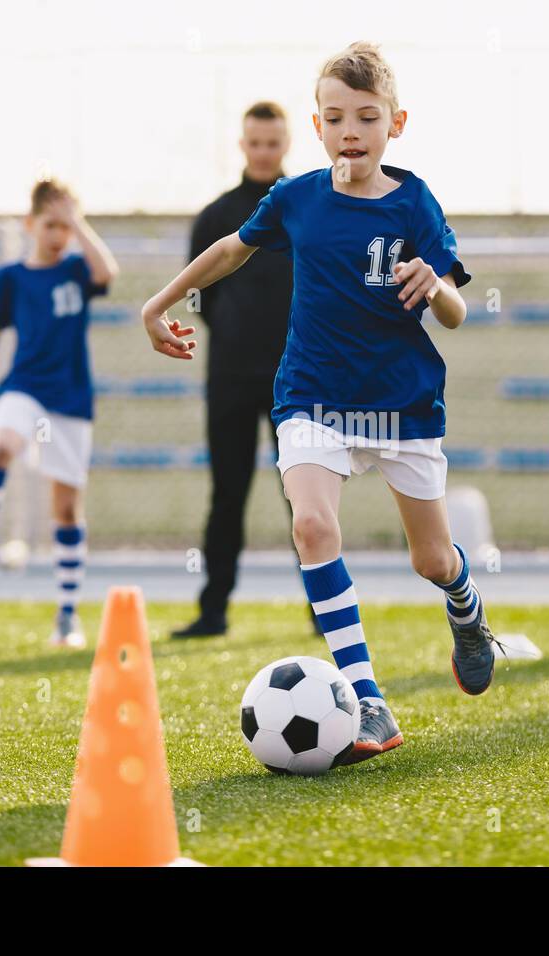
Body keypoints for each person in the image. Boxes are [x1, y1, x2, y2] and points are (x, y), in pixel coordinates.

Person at [140, 41, 496, 764]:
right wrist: (160, 301)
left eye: (367, 116)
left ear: (396, 123)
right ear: (318, 125)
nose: (351, 130)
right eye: (336, 118)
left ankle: (467, 609)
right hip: (312, 397)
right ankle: (368, 701)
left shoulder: (415, 200)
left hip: (402, 405)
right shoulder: (297, 198)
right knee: (311, 528)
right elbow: (233, 250)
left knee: (432, 559)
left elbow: (455, 314)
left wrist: (439, 288)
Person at [0, 178, 118, 648]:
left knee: (65, 507)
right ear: (30, 224)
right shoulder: (10, 277)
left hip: (71, 398)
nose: (59, 235)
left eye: (66, 226)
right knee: (0, 446)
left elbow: (108, 274)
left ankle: (66, 613)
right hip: (23, 388)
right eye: (52, 225)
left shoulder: (78, 270)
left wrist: (80, 224)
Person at [172, 101, 306, 639]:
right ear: (243, 144)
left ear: (286, 144)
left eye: (273, 143)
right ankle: (213, 611)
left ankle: (325, 610)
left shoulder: (307, 207)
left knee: (304, 494)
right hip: (229, 376)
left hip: (296, 379)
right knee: (227, 494)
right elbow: (198, 296)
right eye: (256, 143)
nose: (264, 151)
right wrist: (233, 335)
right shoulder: (217, 215)